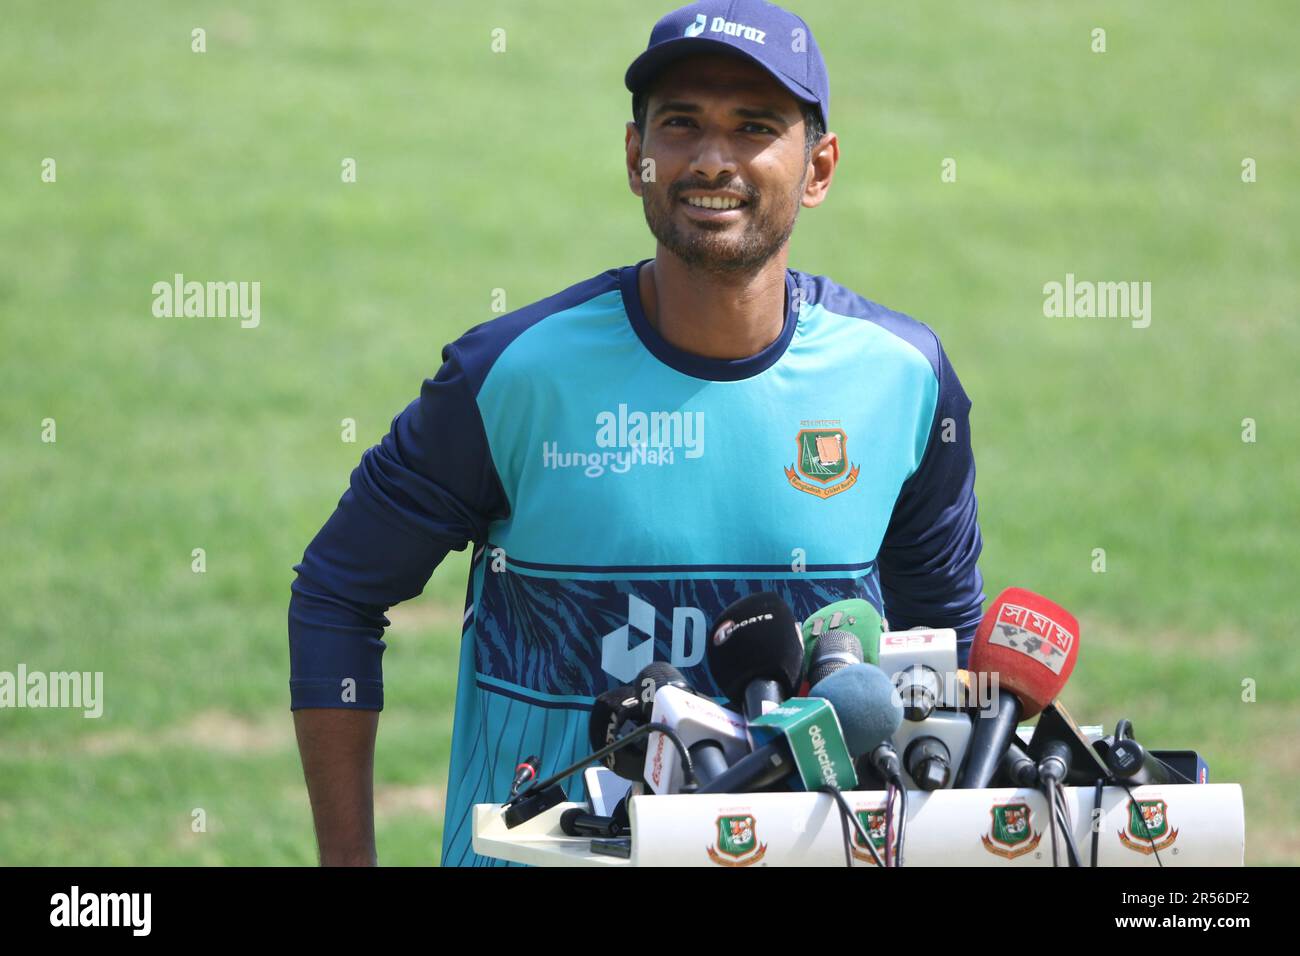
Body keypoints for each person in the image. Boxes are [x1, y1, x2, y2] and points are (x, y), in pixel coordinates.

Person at [289, 0, 985, 867]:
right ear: (635, 156)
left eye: (755, 127)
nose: (711, 160)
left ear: (819, 168)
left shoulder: (903, 381)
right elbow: (336, 595)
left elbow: (941, 657)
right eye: (681, 124)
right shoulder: (511, 377)